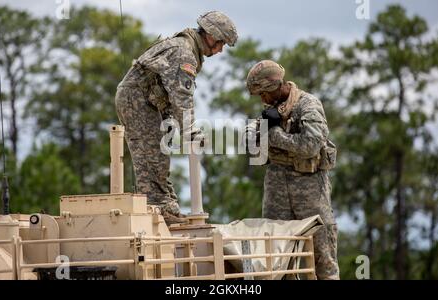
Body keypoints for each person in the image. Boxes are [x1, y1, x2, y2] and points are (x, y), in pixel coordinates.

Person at [115, 11, 238, 225]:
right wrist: (190, 132)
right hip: (137, 100)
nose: (220, 50)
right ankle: (157, 210)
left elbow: (171, 95)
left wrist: (176, 127)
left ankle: (166, 206)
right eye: (220, 43)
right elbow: (182, 96)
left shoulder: (187, 48)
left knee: (159, 156)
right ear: (210, 35)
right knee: (151, 155)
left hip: (151, 102)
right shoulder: (184, 53)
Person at [245, 60, 340, 279]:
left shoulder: (308, 105)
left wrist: (275, 137)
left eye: (263, 94)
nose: (262, 100)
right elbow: (252, 142)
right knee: (276, 256)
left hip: (309, 188)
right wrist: (254, 134)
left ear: (274, 87)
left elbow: (310, 145)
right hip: (277, 186)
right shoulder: (272, 110)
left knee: (322, 256)